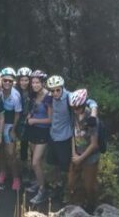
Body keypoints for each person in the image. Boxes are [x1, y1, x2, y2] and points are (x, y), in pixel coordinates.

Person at [45, 75, 98, 203]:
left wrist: (93, 114)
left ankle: (69, 194)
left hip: (65, 136)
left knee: (66, 166)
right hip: (54, 134)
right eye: (52, 90)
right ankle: (58, 188)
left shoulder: (69, 97)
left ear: (62, 88)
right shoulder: (50, 97)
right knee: (53, 163)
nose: (55, 93)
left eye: (58, 90)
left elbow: (89, 101)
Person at [68, 89, 100, 211]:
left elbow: (94, 144)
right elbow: (72, 135)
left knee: (89, 186)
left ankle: (92, 207)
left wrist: (80, 158)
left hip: (90, 157)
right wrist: (74, 154)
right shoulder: (73, 115)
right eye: (73, 108)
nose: (75, 110)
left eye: (78, 108)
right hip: (77, 154)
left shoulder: (91, 120)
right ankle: (76, 206)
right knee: (71, 183)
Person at [25, 70, 52, 205]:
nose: (34, 85)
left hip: (43, 132)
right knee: (35, 161)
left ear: (42, 83)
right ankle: (38, 182)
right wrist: (30, 115)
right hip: (33, 130)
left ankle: (43, 190)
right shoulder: (34, 95)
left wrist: (35, 121)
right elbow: (34, 109)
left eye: (37, 82)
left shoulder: (48, 97)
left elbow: (50, 120)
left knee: (35, 162)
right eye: (33, 82)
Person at [0, 67, 23, 191]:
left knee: (11, 153)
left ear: (13, 82)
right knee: (0, 151)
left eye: (10, 81)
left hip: (10, 124)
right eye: (5, 80)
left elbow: (17, 114)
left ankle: (16, 178)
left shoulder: (16, 96)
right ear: (1, 80)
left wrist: (13, 130)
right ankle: (3, 173)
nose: (7, 83)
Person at [15, 67, 33, 182]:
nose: (24, 82)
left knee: (33, 147)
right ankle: (24, 169)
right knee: (23, 146)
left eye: (26, 80)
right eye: (22, 80)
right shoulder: (15, 90)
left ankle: (33, 169)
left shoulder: (33, 91)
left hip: (31, 121)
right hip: (19, 121)